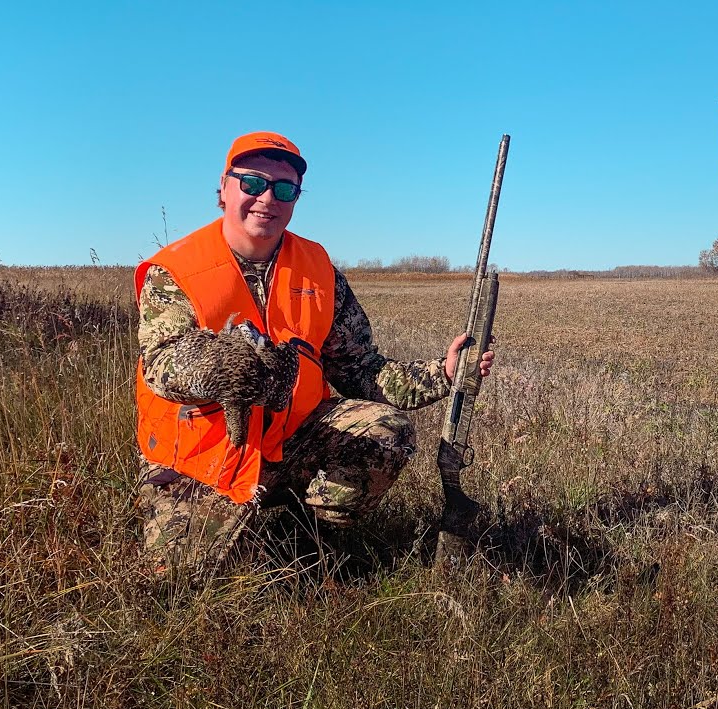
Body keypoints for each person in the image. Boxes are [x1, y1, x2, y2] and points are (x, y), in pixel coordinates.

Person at [135, 131, 494, 579]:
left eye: (285, 189)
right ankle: (243, 512)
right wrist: (219, 368)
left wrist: (443, 372)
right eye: (252, 183)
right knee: (177, 578)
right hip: (205, 452)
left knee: (387, 432)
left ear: (296, 198)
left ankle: (303, 528)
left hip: (292, 438)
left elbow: (362, 370)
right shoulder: (177, 269)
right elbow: (161, 364)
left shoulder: (319, 269)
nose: (268, 197)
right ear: (223, 189)